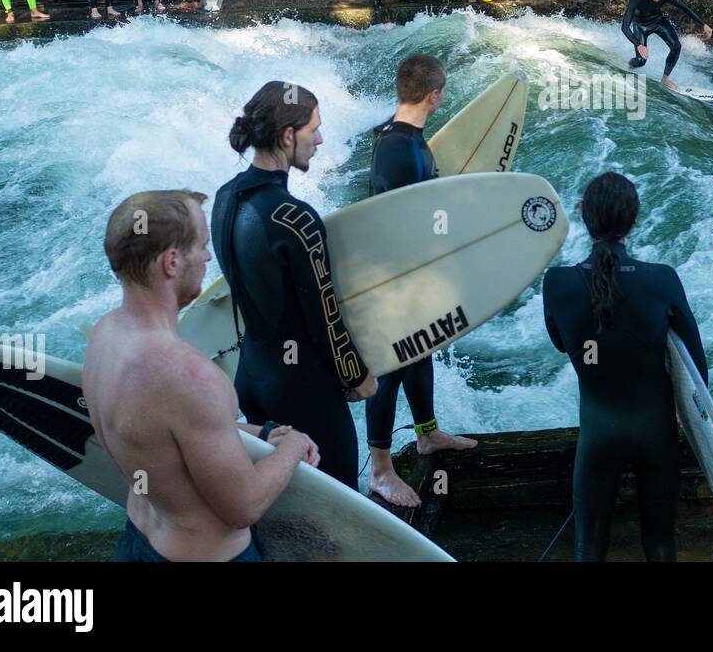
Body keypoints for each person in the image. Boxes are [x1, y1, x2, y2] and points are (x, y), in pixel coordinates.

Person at [84, 190, 319, 562]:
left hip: (138, 542)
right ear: (172, 261)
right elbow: (244, 506)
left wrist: (262, 433)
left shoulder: (104, 337)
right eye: (202, 246)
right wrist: (292, 448)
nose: (209, 257)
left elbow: (164, 435)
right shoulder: (190, 376)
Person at [211, 82, 377, 489]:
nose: (320, 139)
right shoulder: (294, 219)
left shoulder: (224, 198)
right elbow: (324, 313)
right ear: (288, 136)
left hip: (251, 377)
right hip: (302, 389)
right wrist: (357, 376)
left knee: (284, 508)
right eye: (313, 130)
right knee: (339, 508)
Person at [542, 172, 707, 561]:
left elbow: (562, 344)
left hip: (598, 435)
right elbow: (697, 368)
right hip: (656, 434)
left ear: (584, 216)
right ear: (634, 219)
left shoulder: (558, 282)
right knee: (661, 545)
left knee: (590, 550)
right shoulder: (662, 279)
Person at [364, 55, 478, 506]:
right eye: (443, 93)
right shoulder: (399, 148)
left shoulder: (405, 139)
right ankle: (379, 469)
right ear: (434, 95)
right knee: (391, 365)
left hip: (412, 273)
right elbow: (396, 221)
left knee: (420, 352)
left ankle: (427, 434)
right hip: (395, 278)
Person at [621, 0, 712, 91]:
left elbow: (685, 8)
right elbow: (624, 26)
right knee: (640, 62)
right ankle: (630, 66)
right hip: (641, 27)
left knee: (676, 46)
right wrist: (638, 44)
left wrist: (703, 24)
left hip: (658, 22)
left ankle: (665, 79)